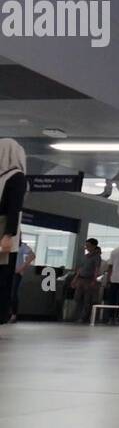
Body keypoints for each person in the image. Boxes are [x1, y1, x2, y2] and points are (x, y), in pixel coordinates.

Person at [0, 138, 27, 327]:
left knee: (3, 276)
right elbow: (13, 209)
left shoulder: (13, 177)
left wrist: (8, 235)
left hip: (4, 232)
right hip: (5, 232)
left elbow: (13, 210)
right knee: (2, 276)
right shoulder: (11, 177)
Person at [73, 238, 102, 323]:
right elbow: (80, 268)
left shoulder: (97, 257)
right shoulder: (85, 256)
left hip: (89, 280)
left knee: (87, 300)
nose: (87, 247)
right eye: (86, 246)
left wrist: (94, 280)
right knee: (78, 298)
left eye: (88, 246)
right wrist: (75, 279)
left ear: (94, 246)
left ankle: (83, 317)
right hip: (81, 279)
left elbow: (97, 269)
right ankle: (77, 316)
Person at [102, 233, 119, 324]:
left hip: (114, 279)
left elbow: (110, 267)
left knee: (112, 299)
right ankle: (118, 318)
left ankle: (110, 318)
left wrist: (108, 279)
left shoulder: (114, 251)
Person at [9, 240, 35, 323]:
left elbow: (32, 255)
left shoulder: (21, 246)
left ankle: (13, 315)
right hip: (4, 271)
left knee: (13, 294)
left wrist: (22, 267)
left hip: (15, 273)